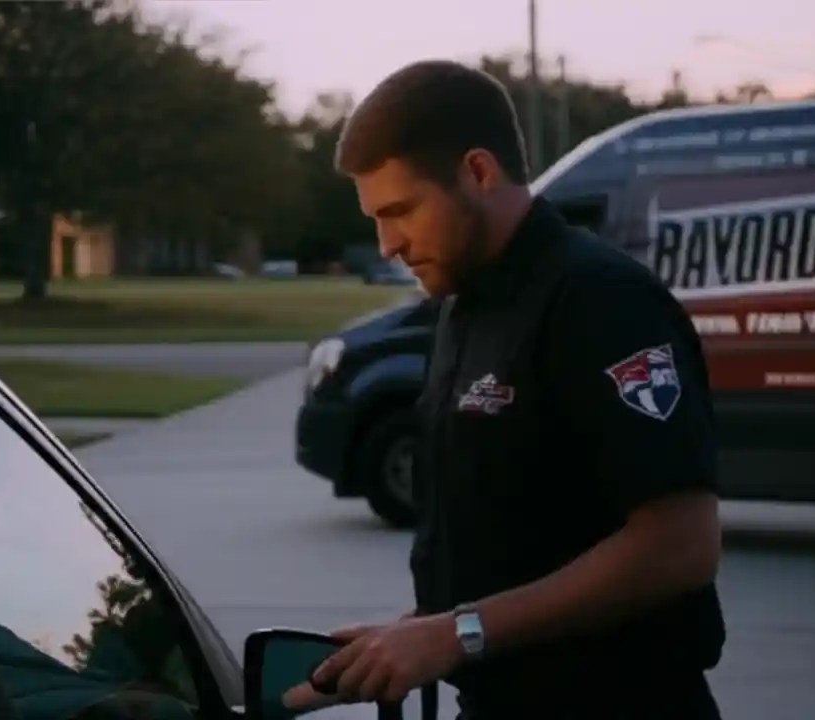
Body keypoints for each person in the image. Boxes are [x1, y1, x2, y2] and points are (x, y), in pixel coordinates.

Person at [308, 60, 726, 719]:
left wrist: (458, 632)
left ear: (478, 171)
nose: (386, 244)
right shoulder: (461, 306)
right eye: (374, 219)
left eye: (400, 210)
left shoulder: (599, 299)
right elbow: (516, 546)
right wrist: (407, 639)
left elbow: (680, 545)